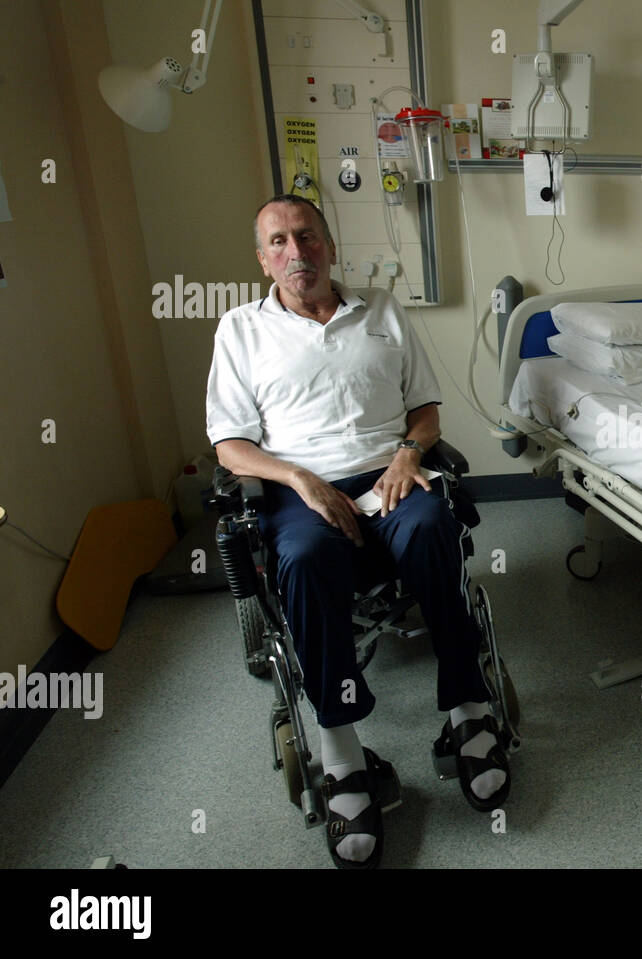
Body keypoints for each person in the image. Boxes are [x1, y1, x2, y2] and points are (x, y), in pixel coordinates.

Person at [205, 194, 509, 868]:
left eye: (306, 237)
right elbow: (229, 445)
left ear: (329, 246)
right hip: (300, 490)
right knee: (305, 560)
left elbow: (426, 411)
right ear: (263, 260)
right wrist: (298, 480)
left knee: (434, 525)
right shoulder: (241, 330)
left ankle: (466, 709)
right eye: (278, 242)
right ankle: (342, 755)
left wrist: (406, 454)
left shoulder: (381, 311)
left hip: (387, 474)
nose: (295, 252)